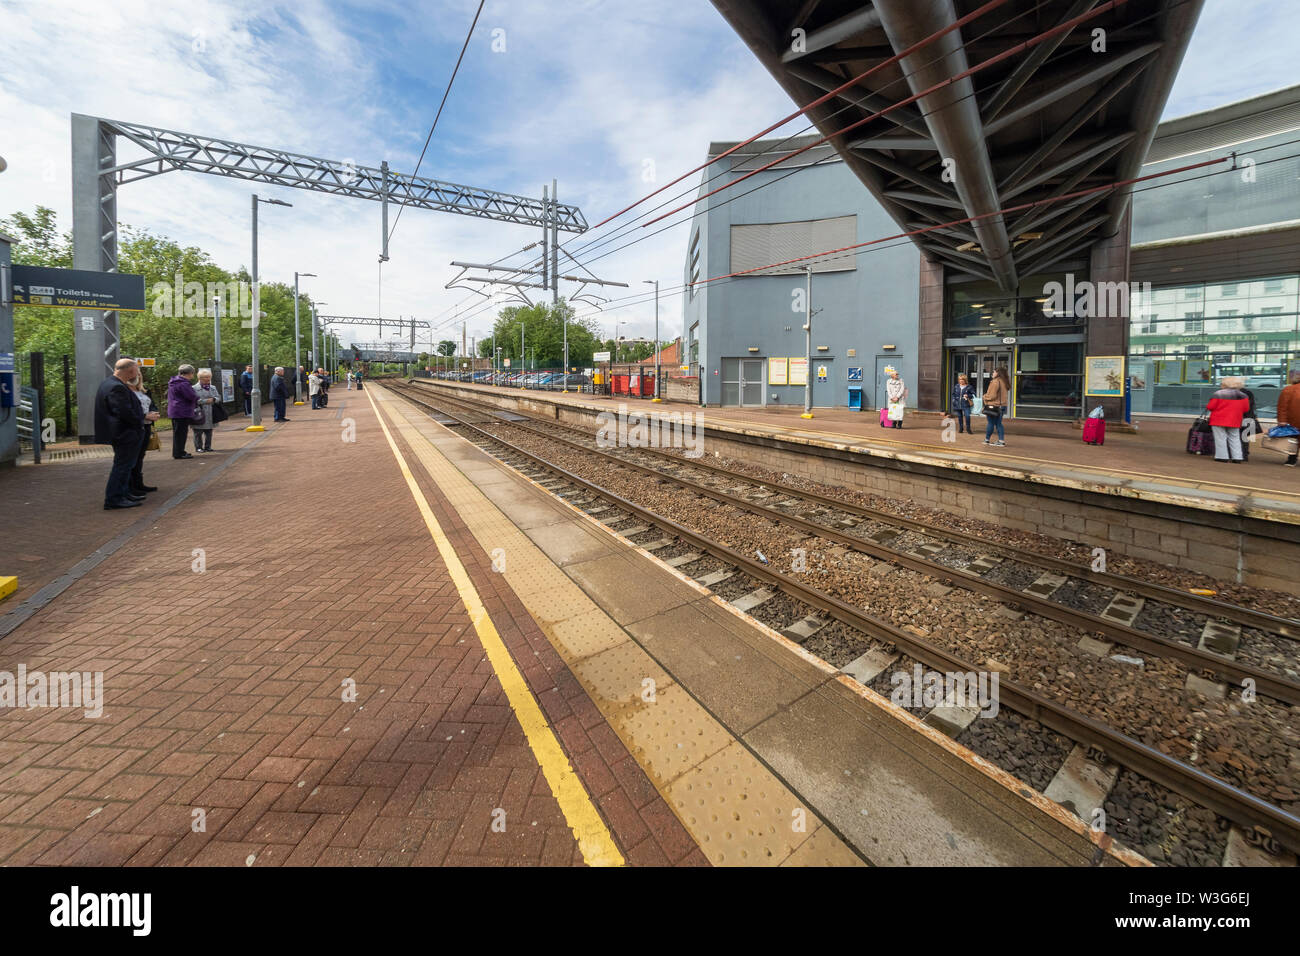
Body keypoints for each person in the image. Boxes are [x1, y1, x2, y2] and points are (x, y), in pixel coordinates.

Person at [94, 358, 151, 510]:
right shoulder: (116, 387)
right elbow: (124, 412)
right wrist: (140, 421)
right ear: (131, 371)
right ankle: (114, 498)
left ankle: (124, 493)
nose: (137, 374)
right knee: (122, 466)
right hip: (125, 433)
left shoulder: (109, 383)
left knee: (126, 465)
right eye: (136, 371)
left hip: (123, 433)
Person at [126, 371, 159, 494]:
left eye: (138, 374)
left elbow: (152, 405)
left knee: (140, 456)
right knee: (132, 457)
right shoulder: (125, 391)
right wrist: (146, 415)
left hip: (146, 427)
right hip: (134, 427)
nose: (136, 376)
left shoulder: (145, 391)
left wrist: (154, 413)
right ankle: (131, 486)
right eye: (134, 374)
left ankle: (139, 483)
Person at [1206, 376, 1250, 463]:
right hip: (1235, 419)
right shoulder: (1243, 395)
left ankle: (1222, 456)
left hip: (1218, 419)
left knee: (1220, 438)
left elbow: (1210, 407)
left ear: (1224, 384)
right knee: (1235, 438)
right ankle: (1237, 457)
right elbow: (1246, 409)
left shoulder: (1218, 394)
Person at [166, 364, 199, 460]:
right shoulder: (184, 383)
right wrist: (197, 398)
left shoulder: (174, 382)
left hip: (175, 410)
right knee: (181, 433)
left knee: (178, 433)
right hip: (182, 411)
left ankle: (178, 451)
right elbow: (191, 396)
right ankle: (179, 453)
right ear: (190, 373)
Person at [192, 369, 220, 452]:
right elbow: (193, 400)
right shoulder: (193, 388)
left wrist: (215, 399)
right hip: (198, 412)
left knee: (209, 430)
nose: (208, 379)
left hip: (211, 412)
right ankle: (198, 447)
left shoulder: (213, 387)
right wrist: (205, 401)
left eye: (209, 377)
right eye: (205, 377)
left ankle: (208, 446)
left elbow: (218, 397)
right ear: (200, 378)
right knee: (198, 431)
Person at [982, 366, 1011, 446]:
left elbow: (992, 396)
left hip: (994, 405)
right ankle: (1001, 441)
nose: (992, 373)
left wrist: (984, 396)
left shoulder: (995, 382)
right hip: (1002, 406)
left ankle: (986, 440)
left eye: (994, 372)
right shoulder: (1004, 381)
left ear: (998, 373)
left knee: (990, 423)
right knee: (999, 424)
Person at [1277, 369, 1300, 466]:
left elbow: (1283, 406)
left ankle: (1292, 459)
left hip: (1294, 420)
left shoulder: (1288, 390)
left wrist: (1282, 420)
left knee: (1293, 440)